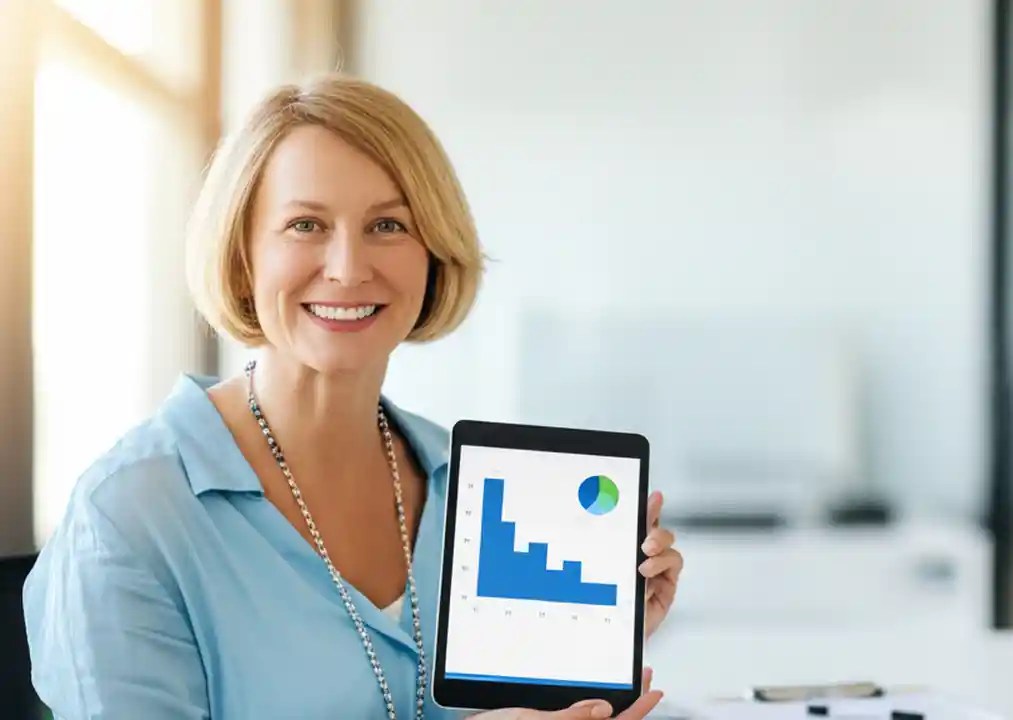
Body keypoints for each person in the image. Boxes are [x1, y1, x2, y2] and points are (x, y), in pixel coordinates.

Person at [23, 74, 683, 720]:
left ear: (433, 253)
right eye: (306, 224)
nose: (346, 267)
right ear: (243, 256)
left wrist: (584, 656)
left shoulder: (472, 485)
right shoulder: (129, 516)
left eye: (389, 226)